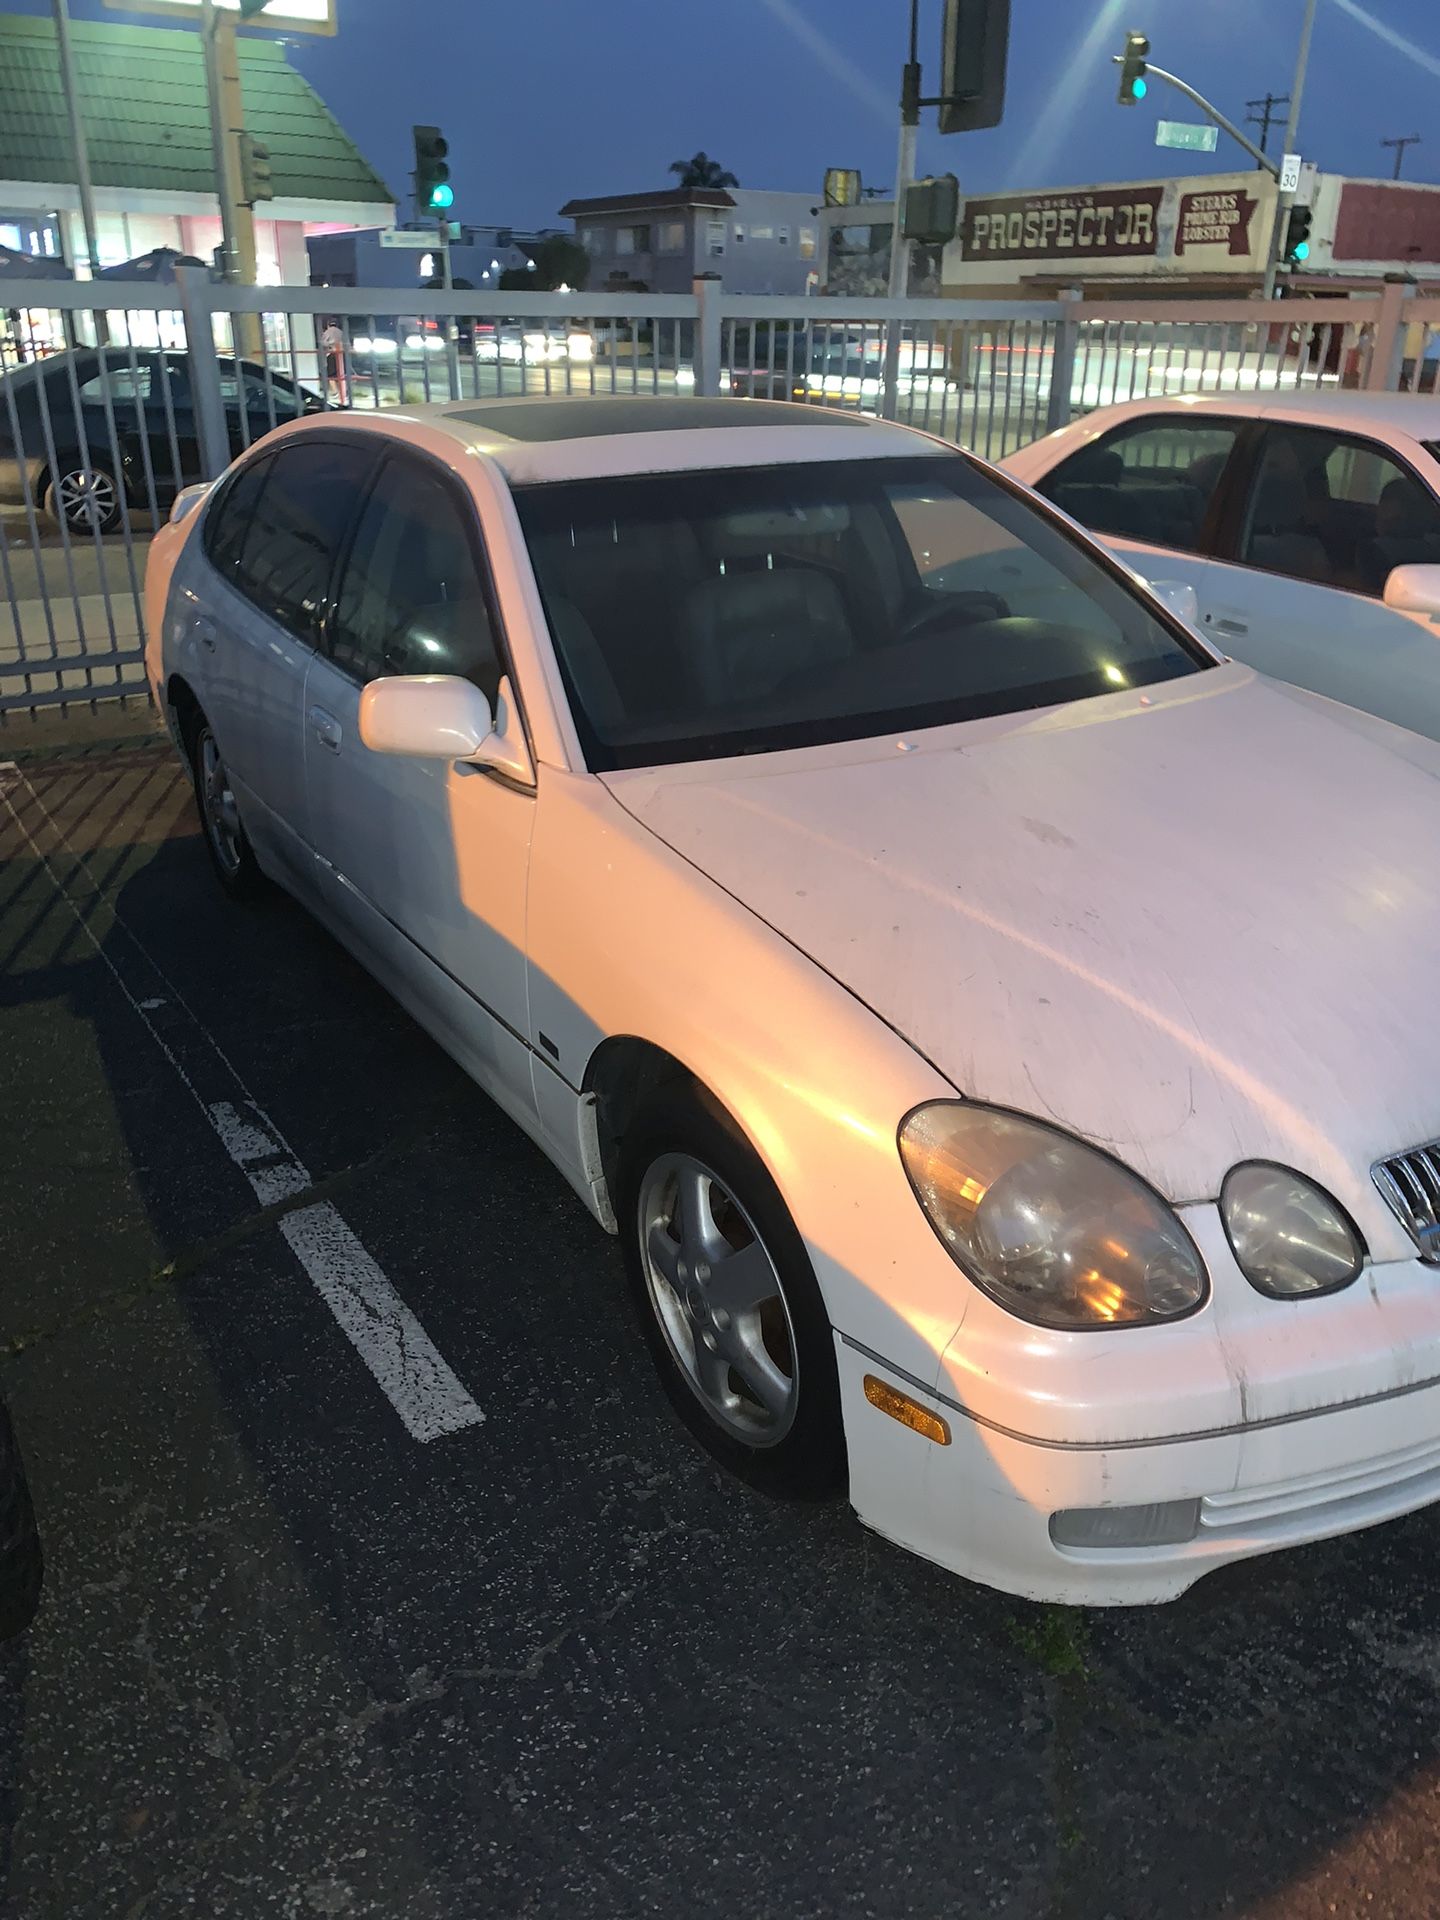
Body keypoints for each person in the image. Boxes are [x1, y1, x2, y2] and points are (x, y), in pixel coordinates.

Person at [320, 317, 348, 407]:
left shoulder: (327, 332)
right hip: (342, 354)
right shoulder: (341, 332)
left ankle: (335, 392)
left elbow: (323, 343)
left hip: (332, 354)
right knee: (342, 374)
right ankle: (343, 393)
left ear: (328, 324)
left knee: (330, 374)